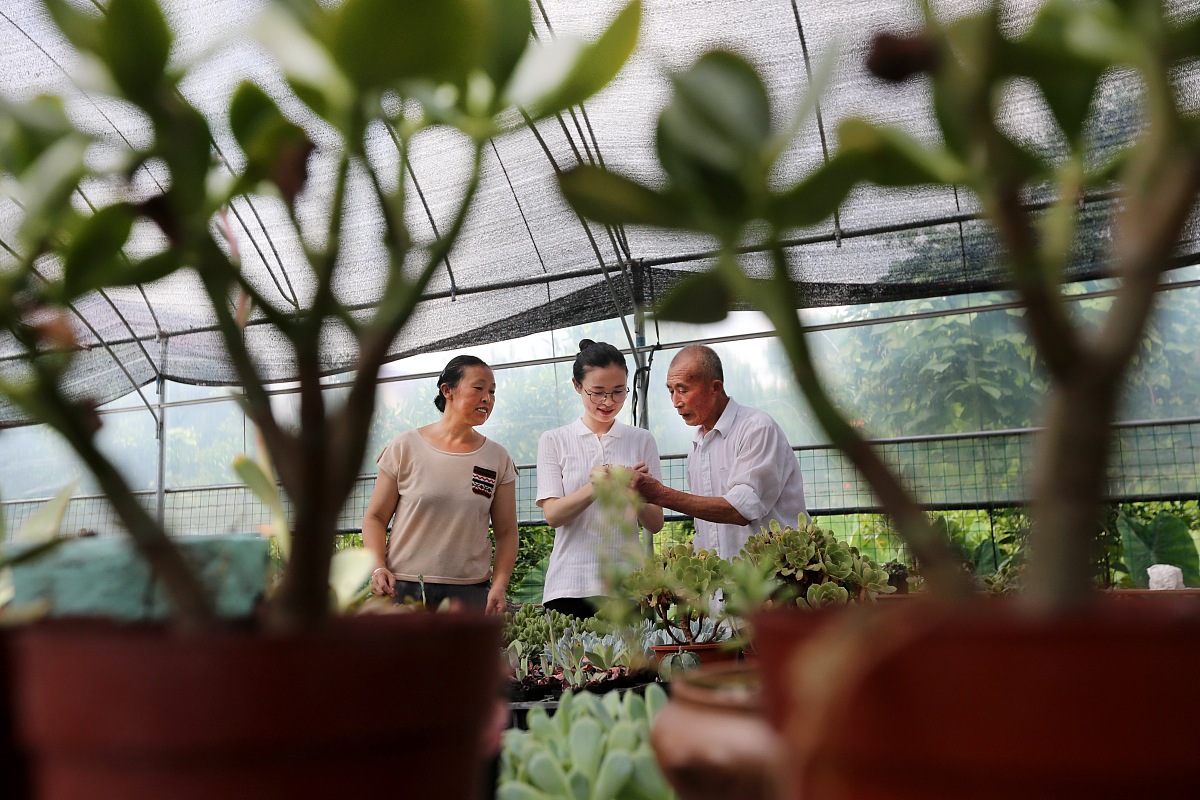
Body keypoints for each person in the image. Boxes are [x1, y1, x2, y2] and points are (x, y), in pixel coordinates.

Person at [363, 355, 518, 613]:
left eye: (492, 392)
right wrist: (379, 568)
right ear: (448, 390)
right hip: (404, 590)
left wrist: (499, 585)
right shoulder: (405, 447)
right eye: (478, 388)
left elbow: (507, 533)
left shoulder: (497, 457)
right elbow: (375, 518)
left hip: (469, 594)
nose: (487, 398)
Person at [631, 344, 808, 558]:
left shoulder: (756, 428)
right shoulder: (697, 447)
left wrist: (660, 494)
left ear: (715, 387)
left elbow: (742, 509)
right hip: (723, 585)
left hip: (773, 583)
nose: (676, 402)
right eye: (671, 391)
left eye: (683, 390)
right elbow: (705, 530)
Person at [536, 340, 664, 618]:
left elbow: (655, 523)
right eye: (597, 393)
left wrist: (636, 492)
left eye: (619, 392)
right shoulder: (554, 440)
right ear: (577, 385)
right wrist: (594, 488)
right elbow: (553, 516)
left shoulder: (642, 440)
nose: (608, 402)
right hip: (569, 586)